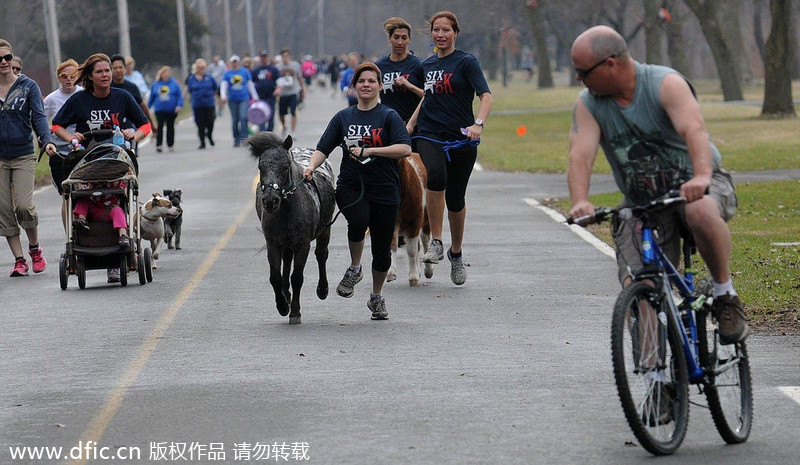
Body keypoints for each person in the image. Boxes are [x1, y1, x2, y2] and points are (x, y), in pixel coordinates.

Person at [566, 25, 748, 344]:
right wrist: (580, 200)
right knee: (640, 288)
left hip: (698, 184)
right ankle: (658, 383)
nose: (579, 80)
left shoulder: (664, 83)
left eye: (583, 72)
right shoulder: (589, 103)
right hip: (643, 204)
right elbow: (580, 153)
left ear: (610, 64)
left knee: (701, 210)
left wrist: (702, 176)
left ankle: (725, 295)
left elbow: (694, 130)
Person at [302, 62, 411, 320]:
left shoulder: (388, 116)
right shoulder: (344, 118)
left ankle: (376, 296)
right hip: (352, 186)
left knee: (383, 252)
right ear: (354, 86)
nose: (366, 85)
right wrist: (310, 167)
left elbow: (404, 149)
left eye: (371, 81)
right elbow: (323, 148)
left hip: (385, 188)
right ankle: (354, 267)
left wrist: (371, 151)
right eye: (361, 81)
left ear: (379, 86)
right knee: (358, 220)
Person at [406, 11, 493, 286]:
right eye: (436, 30)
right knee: (436, 177)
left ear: (456, 33)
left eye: (446, 30)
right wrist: (409, 126)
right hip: (430, 134)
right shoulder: (427, 65)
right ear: (431, 33)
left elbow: (486, 96)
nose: (441, 35)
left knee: (456, 199)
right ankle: (436, 242)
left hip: (461, 137)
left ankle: (456, 253)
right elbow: (427, 98)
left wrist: (478, 123)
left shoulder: (466, 62)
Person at [52, 52, 152, 282]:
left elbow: (145, 125)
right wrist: (71, 137)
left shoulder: (123, 97)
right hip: (87, 160)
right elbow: (56, 124)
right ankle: (77, 241)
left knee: (120, 197)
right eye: (100, 71)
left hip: (117, 159)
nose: (105, 75)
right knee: (75, 195)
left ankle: (119, 253)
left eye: (107, 70)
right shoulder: (79, 100)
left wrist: (133, 134)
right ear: (90, 75)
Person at [0, 39, 58, 277]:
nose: (4, 62)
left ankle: (35, 249)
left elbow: (39, 117)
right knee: (3, 209)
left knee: (24, 206)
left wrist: (47, 140)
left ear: (13, 59)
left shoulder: (28, 86)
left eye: (7, 57)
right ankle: (19, 259)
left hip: (23, 153)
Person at [44, 58, 83, 228]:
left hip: (83, 151)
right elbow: (41, 123)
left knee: (85, 193)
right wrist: (45, 142)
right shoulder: (51, 99)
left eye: (72, 75)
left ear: (79, 76)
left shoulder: (85, 94)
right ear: (59, 78)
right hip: (60, 152)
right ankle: (70, 238)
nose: (68, 79)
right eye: (64, 76)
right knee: (66, 195)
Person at [375, 17, 424, 124]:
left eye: (404, 38)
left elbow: (429, 96)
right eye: (396, 37)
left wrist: (410, 86)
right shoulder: (379, 66)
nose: (400, 42)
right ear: (389, 38)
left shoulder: (418, 65)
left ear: (409, 40)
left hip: (413, 125)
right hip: (387, 124)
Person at [110, 54, 154, 139]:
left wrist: (151, 123)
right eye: (115, 68)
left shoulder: (132, 87)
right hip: (112, 131)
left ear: (125, 69)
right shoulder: (106, 88)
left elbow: (142, 106)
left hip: (130, 129)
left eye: (120, 67)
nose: (118, 70)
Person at [220, 54, 258, 147]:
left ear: (238, 62)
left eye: (236, 62)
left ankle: (245, 138)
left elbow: (250, 84)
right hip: (232, 99)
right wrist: (223, 95)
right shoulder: (227, 73)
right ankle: (236, 139)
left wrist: (255, 96)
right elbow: (224, 85)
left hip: (244, 98)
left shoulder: (244, 72)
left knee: (243, 117)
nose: (235, 64)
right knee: (235, 120)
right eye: (233, 62)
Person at [147, 66, 183, 152]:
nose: (166, 75)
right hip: (159, 110)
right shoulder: (156, 84)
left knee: (170, 127)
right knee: (160, 126)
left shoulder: (174, 84)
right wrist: (147, 108)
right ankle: (159, 145)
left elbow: (179, 96)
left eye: (168, 73)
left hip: (171, 110)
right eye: (164, 73)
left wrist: (179, 105)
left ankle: (170, 144)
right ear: (161, 74)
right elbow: (152, 97)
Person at [185, 58, 218, 149]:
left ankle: (209, 135)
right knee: (200, 124)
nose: (201, 69)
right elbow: (190, 90)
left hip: (209, 104)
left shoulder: (209, 77)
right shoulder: (191, 78)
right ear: (196, 68)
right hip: (197, 105)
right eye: (199, 67)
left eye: (203, 67)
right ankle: (202, 141)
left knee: (210, 121)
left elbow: (215, 88)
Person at [276, 48, 305, 137]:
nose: (285, 58)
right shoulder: (278, 67)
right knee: (282, 114)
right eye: (283, 56)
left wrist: (302, 90)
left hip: (293, 92)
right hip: (283, 93)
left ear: (290, 57)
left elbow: (299, 77)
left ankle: (293, 131)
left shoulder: (295, 65)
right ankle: (284, 127)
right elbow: (276, 79)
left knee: (293, 112)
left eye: (287, 56)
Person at [251, 50, 279, 132]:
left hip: (271, 96)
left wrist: (278, 89)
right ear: (260, 58)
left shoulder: (273, 69)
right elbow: (251, 83)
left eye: (265, 57)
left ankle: (270, 133)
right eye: (262, 57)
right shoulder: (256, 70)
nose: (264, 59)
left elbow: (279, 80)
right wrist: (253, 96)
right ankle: (263, 134)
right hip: (260, 97)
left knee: (271, 116)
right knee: (260, 116)